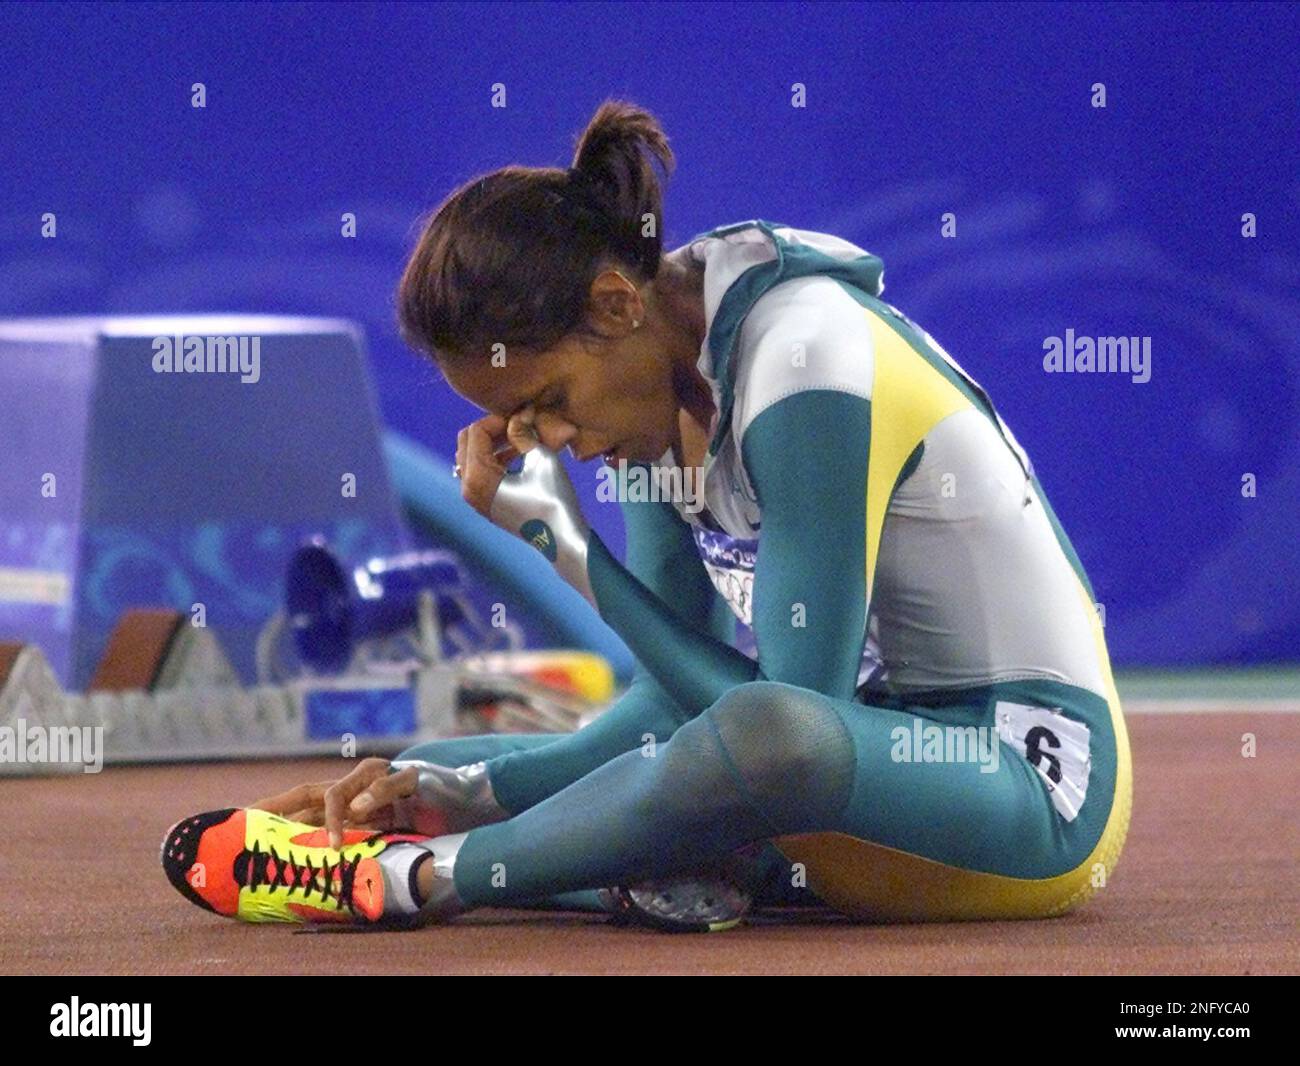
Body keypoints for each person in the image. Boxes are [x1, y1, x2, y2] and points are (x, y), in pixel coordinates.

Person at [162, 99, 1131, 932]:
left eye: (545, 396)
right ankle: (509, 849)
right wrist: (440, 786)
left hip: (1024, 799)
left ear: (616, 303)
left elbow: (791, 717)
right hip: (849, 826)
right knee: (458, 768)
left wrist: (569, 549)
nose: (549, 438)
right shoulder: (655, 396)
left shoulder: (808, 360)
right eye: (515, 418)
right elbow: (668, 700)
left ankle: (413, 881)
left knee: (765, 732)